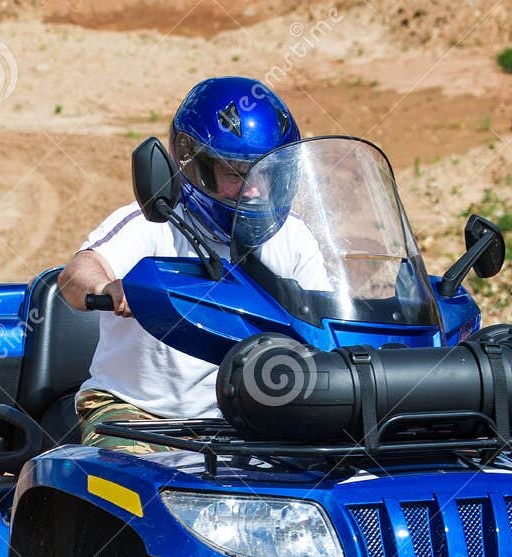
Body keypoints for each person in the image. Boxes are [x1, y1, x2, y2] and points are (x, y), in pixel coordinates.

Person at [59, 77, 329, 450]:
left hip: (246, 419)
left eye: (266, 173)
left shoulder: (293, 237)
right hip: (136, 413)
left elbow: (325, 322)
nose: (253, 189)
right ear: (196, 167)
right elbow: (75, 276)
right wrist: (106, 287)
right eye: (236, 173)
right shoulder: (154, 222)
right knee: (134, 477)